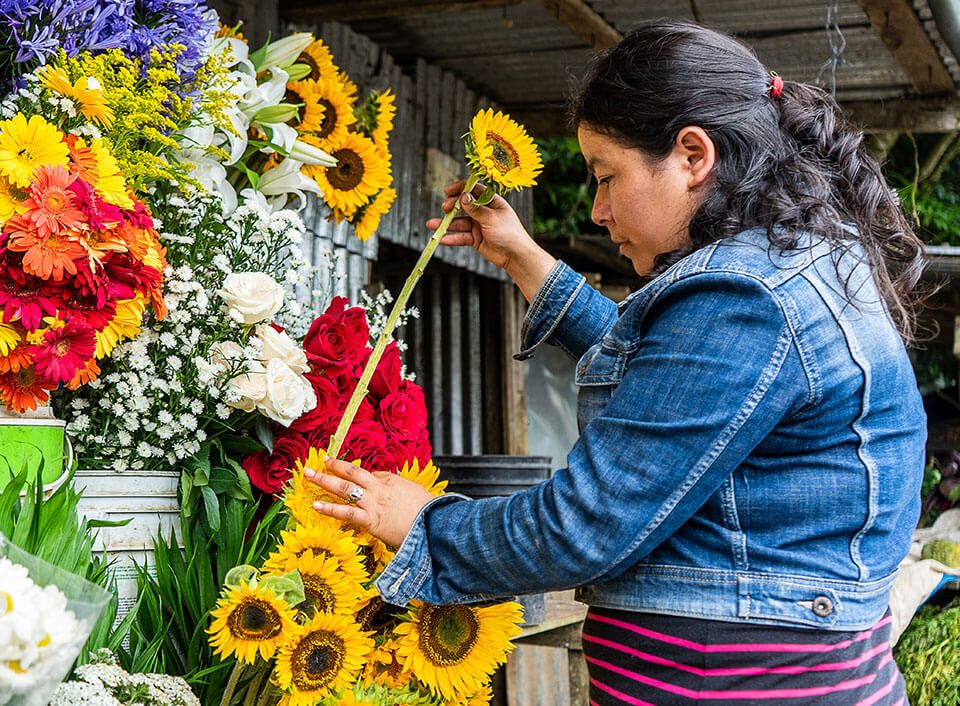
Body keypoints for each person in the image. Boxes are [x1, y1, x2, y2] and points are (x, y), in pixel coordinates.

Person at [303, 20, 928, 705]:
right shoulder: (792, 266)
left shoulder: (746, 297)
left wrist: (423, 523)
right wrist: (523, 258)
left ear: (692, 156)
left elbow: (586, 524)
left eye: (607, 176)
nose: (598, 210)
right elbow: (676, 390)